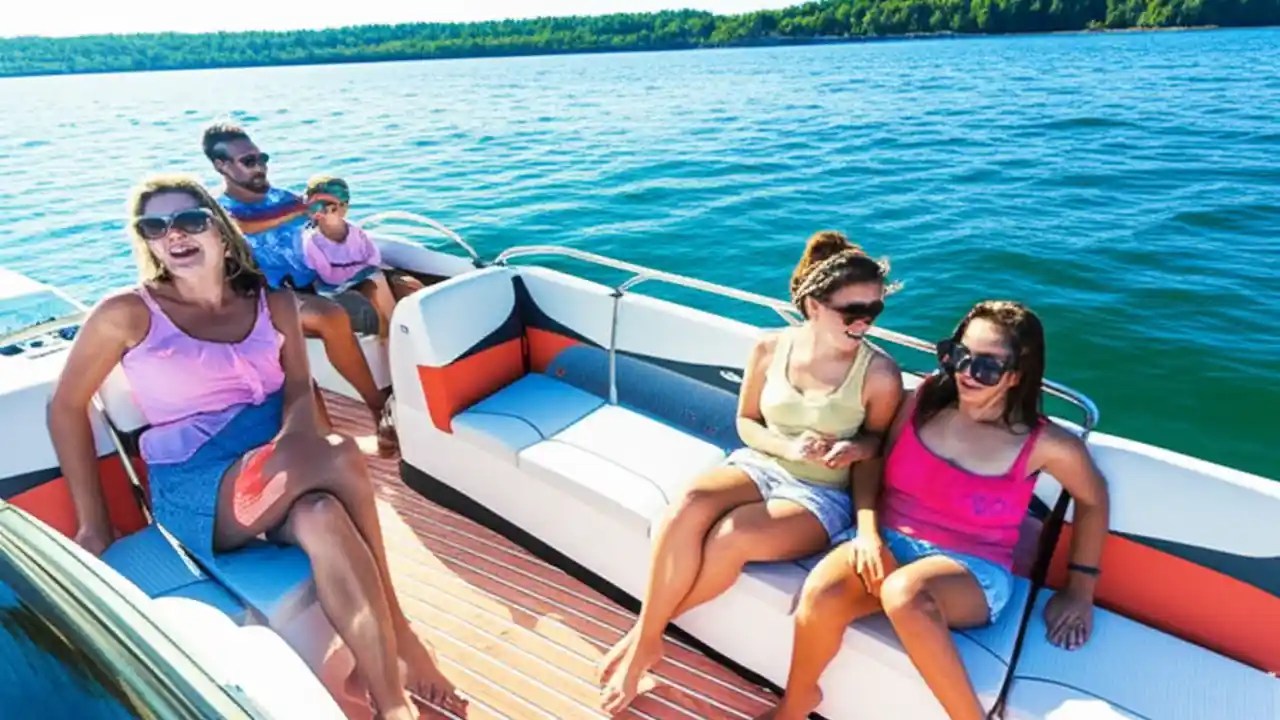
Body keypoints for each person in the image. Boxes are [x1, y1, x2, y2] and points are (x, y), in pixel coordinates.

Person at [46, 174, 466, 720]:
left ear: (220, 231)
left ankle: (388, 700)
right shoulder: (127, 313)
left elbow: (299, 390)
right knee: (340, 453)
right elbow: (65, 405)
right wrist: (94, 524)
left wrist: (292, 442)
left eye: (189, 220)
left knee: (323, 516)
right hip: (201, 485)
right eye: (155, 226)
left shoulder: (274, 303)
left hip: (282, 468)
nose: (174, 234)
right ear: (147, 241)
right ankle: (403, 636)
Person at [754, 300, 1110, 720]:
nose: (967, 373)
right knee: (821, 592)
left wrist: (1079, 590)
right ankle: (795, 704)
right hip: (886, 541)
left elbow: (1093, 499)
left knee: (905, 594)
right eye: (960, 355)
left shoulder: (1046, 444)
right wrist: (867, 531)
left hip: (971, 570)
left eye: (987, 366)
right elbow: (874, 458)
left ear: (1016, 376)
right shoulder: (920, 402)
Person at [597, 231, 906, 714]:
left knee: (730, 536)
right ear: (813, 305)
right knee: (686, 506)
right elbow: (746, 423)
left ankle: (644, 639)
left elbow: (877, 449)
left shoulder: (880, 374)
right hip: (763, 462)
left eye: (875, 309)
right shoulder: (768, 348)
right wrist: (788, 445)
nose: (866, 321)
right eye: (853, 311)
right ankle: (646, 640)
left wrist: (852, 449)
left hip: (821, 492)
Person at [201, 122, 397, 456]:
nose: (260, 167)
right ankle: (379, 408)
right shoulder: (220, 211)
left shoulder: (285, 198)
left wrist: (334, 217)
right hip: (267, 299)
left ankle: (412, 383)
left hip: (318, 284)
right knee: (329, 315)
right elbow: (244, 225)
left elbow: (328, 233)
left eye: (262, 158)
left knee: (405, 288)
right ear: (221, 166)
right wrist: (303, 208)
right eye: (248, 161)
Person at [302, 175, 416, 340]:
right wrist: (359, 270)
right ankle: (392, 329)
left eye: (343, 204)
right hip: (333, 287)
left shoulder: (355, 231)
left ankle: (392, 328)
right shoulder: (312, 241)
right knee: (377, 279)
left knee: (406, 284)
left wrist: (362, 271)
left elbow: (373, 256)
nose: (339, 210)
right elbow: (329, 276)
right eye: (329, 207)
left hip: (361, 277)